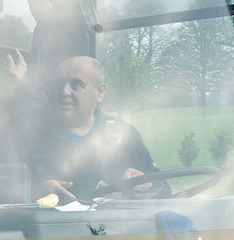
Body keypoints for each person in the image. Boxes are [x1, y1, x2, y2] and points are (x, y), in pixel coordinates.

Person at [22, 55, 156, 202]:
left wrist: (148, 184)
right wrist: (37, 189)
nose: (64, 92)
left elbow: (163, 187)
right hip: (46, 224)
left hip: (111, 224)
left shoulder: (124, 135)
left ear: (100, 92)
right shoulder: (25, 133)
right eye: (60, 84)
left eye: (76, 85)